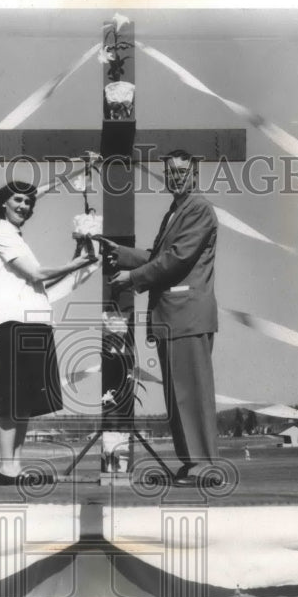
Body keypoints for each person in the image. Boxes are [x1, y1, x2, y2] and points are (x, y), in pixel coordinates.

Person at [101, 150, 220, 487]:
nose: (176, 177)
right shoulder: (176, 211)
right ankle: (192, 462)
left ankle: (205, 464)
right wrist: (121, 254)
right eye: (170, 172)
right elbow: (160, 256)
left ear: (194, 174)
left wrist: (133, 278)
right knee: (178, 394)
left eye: (182, 171)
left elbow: (177, 259)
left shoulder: (198, 208)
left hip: (188, 313)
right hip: (173, 316)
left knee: (192, 392)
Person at [0, 181, 96, 486]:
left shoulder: (14, 237)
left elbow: (39, 282)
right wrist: (79, 262)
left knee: (25, 401)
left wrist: (78, 260)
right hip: (14, 323)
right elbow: (35, 273)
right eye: (18, 200)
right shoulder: (1, 235)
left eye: (29, 202)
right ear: (3, 203)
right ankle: (7, 468)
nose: (24, 206)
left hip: (31, 322)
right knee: (13, 397)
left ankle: (14, 468)